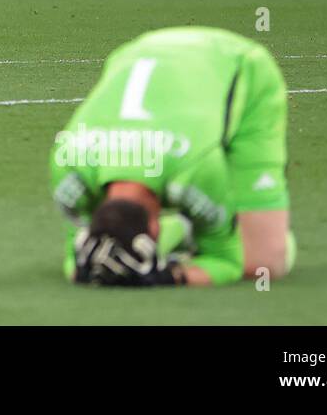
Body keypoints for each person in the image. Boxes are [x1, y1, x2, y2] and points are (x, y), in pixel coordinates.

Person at [51, 27, 294, 287]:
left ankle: (191, 228)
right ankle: (182, 229)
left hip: (241, 64)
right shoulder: (69, 165)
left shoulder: (194, 170)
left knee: (261, 264)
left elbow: (228, 261)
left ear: (154, 229)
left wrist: (170, 275)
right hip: (138, 48)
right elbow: (73, 260)